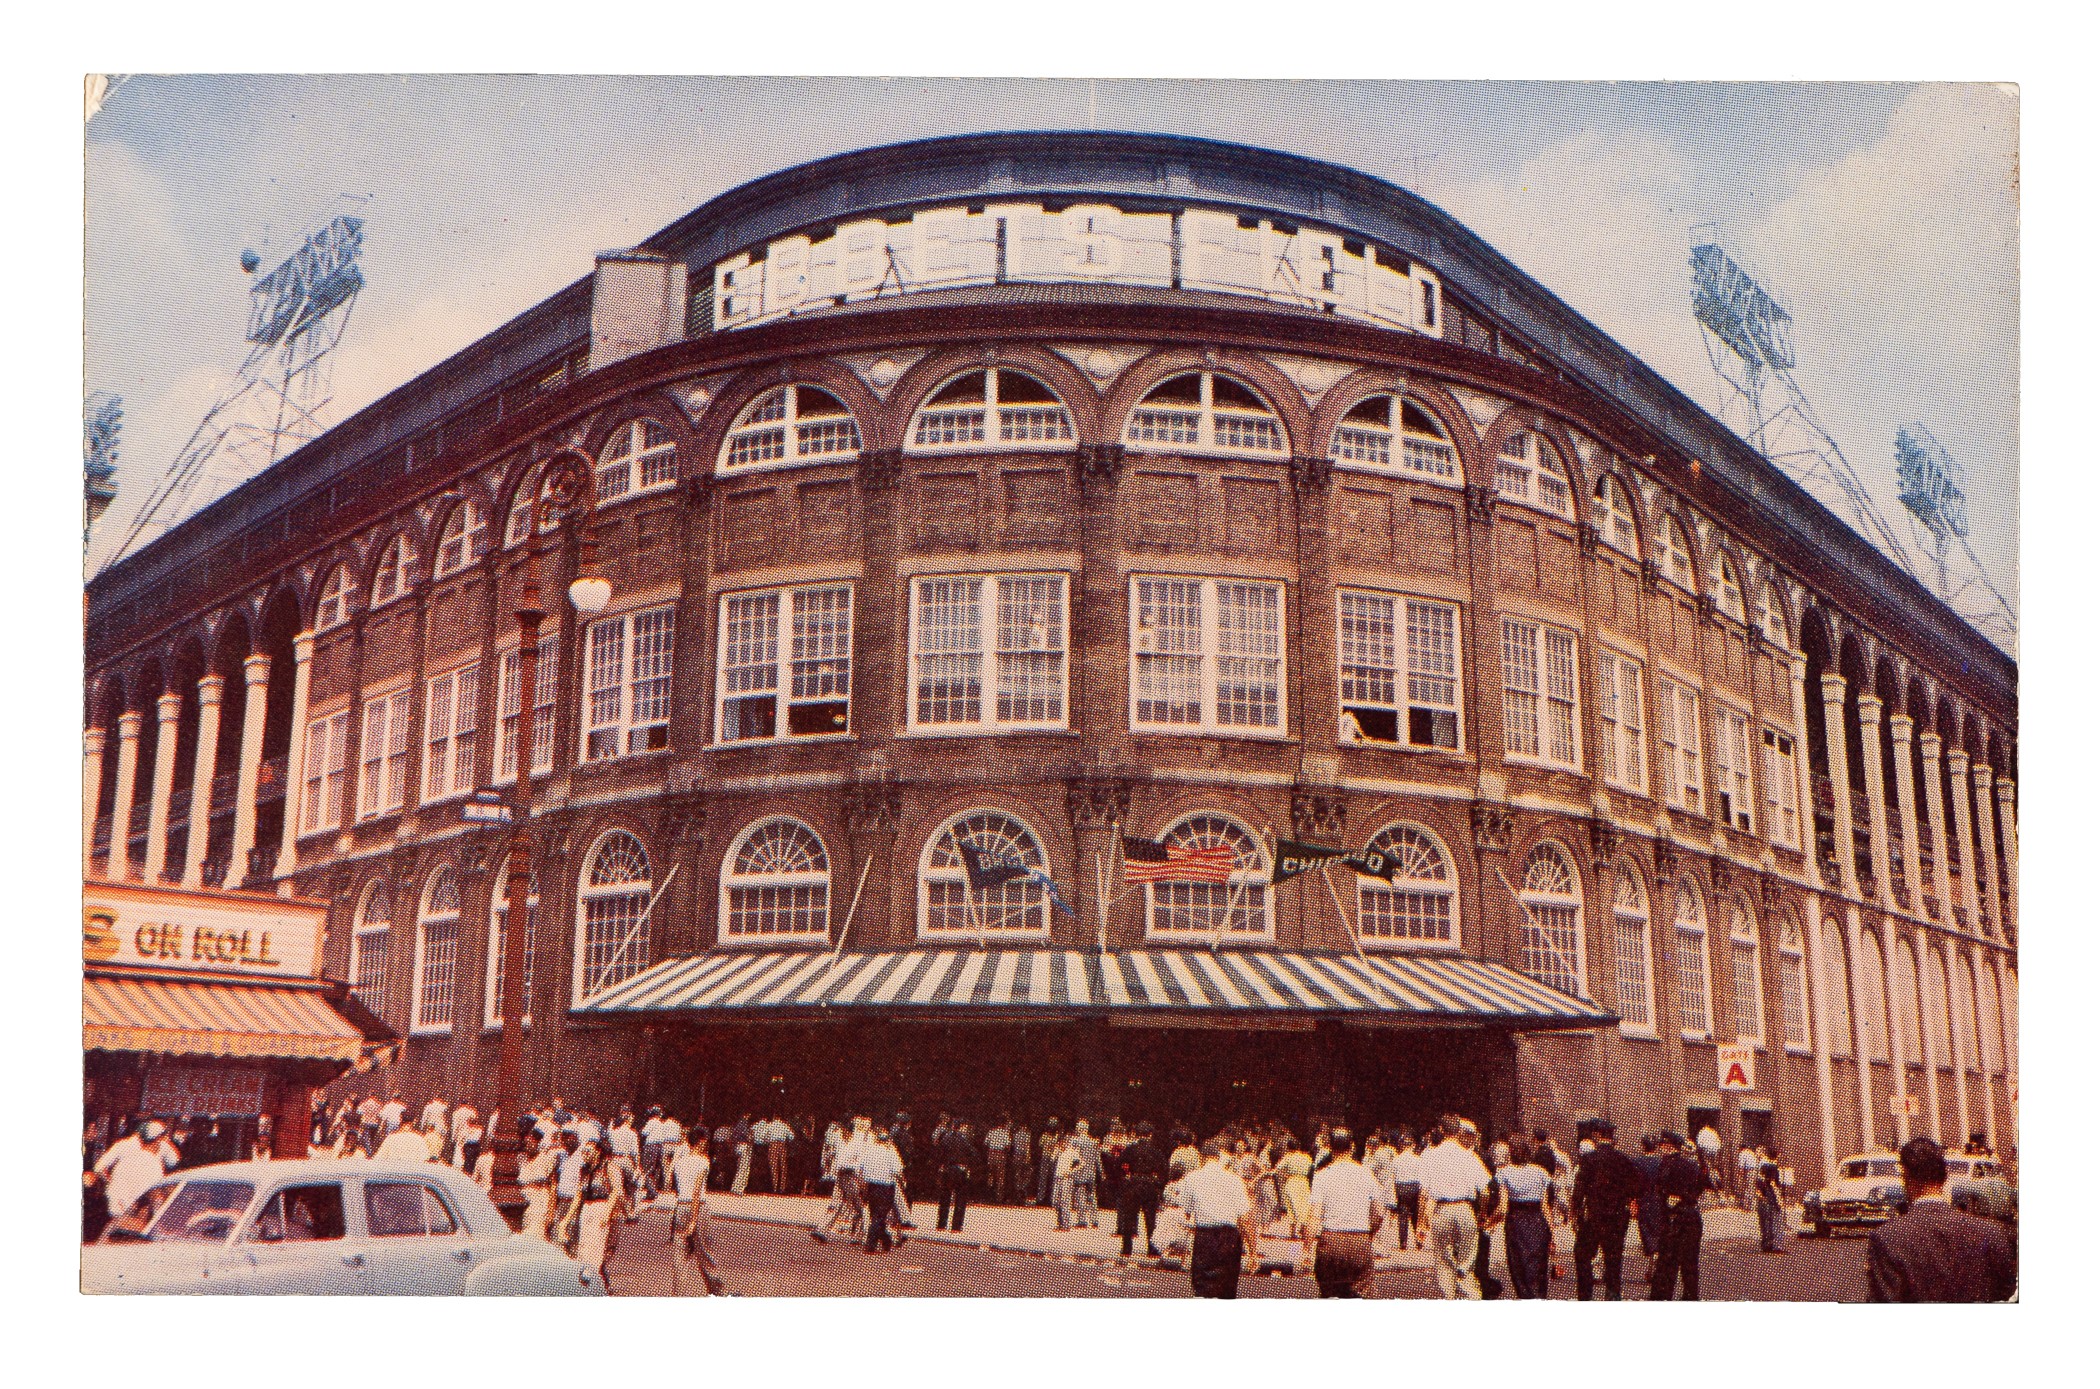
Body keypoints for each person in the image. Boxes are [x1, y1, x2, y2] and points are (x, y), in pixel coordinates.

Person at [1866, 1137, 2015, 1301]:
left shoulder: (1887, 1237)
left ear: (1907, 1177)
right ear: (1944, 1177)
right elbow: (2007, 1293)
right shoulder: (1991, 1232)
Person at [1301, 1128, 1385, 1298]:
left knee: (1330, 1293)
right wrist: (1370, 1232)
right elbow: (1379, 1212)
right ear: (1352, 1146)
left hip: (1331, 1239)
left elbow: (1314, 1216)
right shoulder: (1366, 1174)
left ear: (1330, 1148)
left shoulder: (1322, 1175)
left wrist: (1307, 1248)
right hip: (1359, 1239)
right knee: (1362, 1293)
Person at [1417, 1116, 1493, 1299]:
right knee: (1467, 1263)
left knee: (1444, 1262)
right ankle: (1472, 1297)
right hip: (1465, 1209)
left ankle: (1449, 1299)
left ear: (1441, 1131)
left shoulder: (1430, 1155)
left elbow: (1423, 1193)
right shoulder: (1469, 1156)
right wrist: (1482, 1213)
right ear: (1458, 1131)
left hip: (1441, 1210)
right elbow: (1485, 1191)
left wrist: (1421, 1222)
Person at [1571, 1118, 1644, 1300]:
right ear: (1612, 1137)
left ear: (1597, 1135)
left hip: (1593, 1217)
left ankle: (1585, 1295)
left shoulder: (1589, 1160)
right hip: (1617, 1217)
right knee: (1613, 1260)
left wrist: (1575, 1212)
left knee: (1583, 1254)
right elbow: (1637, 1187)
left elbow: (1579, 1190)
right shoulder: (1623, 1160)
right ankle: (1612, 1297)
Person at [1180, 1140, 1258, 1298]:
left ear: (1201, 1157)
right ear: (1219, 1157)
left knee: (1203, 1288)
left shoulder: (1191, 1178)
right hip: (1229, 1238)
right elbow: (1245, 1218)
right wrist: (1253, 1251)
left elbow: (1186, 1214)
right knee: (1226, 1289)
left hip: (1204, 1236)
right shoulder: (1235, 1180)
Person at [668, 1123, 726, 1296]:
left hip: (680, 1207)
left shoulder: (679, 1162)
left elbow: (677, 1187)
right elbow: (696, 1191)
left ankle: (678, 1295)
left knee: (680, 1256)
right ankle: (717, 1293)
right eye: (705, 1142)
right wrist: (693, 1219)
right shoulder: (703, 1162)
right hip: (698, 1208)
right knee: (706, 1254)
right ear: (700, 1142)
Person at [88, 1119, 178, 1228]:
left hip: (135, 1200)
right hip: (125, 1199)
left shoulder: (160, 1147)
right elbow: (174, 1161)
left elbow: (99, 1168)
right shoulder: (132, 1147)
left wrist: (110, 1182)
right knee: (124, 1228)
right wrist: (111, 1182)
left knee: (127, 1228)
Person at [1649, 1132, 1707, 1301]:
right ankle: (1690, 1298)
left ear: (1668, 1146)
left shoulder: (1666, 1165)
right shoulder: (1692, 1165)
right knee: (1690, 1265)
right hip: (1692, 1216)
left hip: (1675, 1218)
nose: (1660, 1149)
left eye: (1662, 1145)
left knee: (1667, 1265)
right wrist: (1689, 1197)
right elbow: (1702, 1185)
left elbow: (1662, 1191)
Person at [1498, 1135, 1554, 1299]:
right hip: (1538, 1219)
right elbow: (1545, 1205)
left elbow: (1502, 1207)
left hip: (1516, 1219)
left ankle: (1524, 1296)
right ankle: (1539, 1296)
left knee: (1518, 1264)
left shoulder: (1504, 1173)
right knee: (1538, 1263)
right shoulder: (1541, 1172)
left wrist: (1489, 1222)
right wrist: (1552, 1231)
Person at [1117, 1121, 1168, 1258]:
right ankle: (1151, 1249)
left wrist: (1126, 1175)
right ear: (1150, 1134)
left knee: (1129, 1217)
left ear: (1137, 1134)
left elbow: (1120, 1163)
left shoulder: (1131, 1149)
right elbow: (1164, 1169)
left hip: (1134, 1183)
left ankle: (1127, 1248)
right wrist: (1158, 1184)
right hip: (1149, 1184)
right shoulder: (1155, 1151)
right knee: (1150, 1219)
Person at [860, 1125, 905, 1254]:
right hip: (885, 1186)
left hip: (871, 1186)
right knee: (880, 1216)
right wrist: (902, 1183)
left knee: (875, 1215)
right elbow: (898, 1170)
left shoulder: (869, 1151)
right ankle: (871, 1244)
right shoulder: (890, 1151)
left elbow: (861, 1169)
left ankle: (886, 1239)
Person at [1628, 1133, 1665, 1264]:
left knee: (1646, 1228)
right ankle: (1655, 1258)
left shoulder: (1637, 1163)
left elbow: (1633, 1184)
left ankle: (1651, 1257)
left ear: (1643, 1146)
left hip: (1644, 1199)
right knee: (1658, 1228)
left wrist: (1632, 1200)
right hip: (1660, 1199)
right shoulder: (1662, 1162)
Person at [935, 1118, 975, 1232]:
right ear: (961, 1126)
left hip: (948, 1169)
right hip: (960, 1170)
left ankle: (941, 1224)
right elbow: (972, 1153)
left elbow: (939, 1153)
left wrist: (942, 1165)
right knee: (960, 1199)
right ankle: (956, 1226)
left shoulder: (945, 1138)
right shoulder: (964, 1139)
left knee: (945, 1197)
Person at [518, 1128, 558, 1239]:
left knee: (535, 1235)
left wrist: (551, 1211)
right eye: (525, 1143)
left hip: (539, 1201)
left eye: (530, 1143)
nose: (527, 1146)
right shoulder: (521, 1159)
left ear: (537, 1143)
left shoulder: (546, 1159)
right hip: (522, 1200)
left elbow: (553, 1186)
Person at [1389, 1128, 1422, 1250]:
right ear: (1412, 1145)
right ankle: (1418, 1240)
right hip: (1414, 1187)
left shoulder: (1396, 1160)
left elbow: (1393, 1176)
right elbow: (1420, 1177)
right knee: (1415, 1215)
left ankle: (1403, 1242)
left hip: (1401, 1187)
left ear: (1402, 1145)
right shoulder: (1418, 1160)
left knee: (1402, 1215)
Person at [1277, 1134, 1314, 1238]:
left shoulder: (1288, 1157)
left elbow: (1278, 1169)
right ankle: (1303, 1230)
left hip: (1292, 1181)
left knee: (1291, 1206)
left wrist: (1285, 1175)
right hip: (1304, 1181)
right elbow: (1312, 1169)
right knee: (1303, 1206)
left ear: (1288, 1147)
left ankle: (1293, 1232)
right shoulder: (1307, 1157)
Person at [1069, 1119, 1102, 1229]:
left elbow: (1072, 1158)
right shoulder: (1093, 1142)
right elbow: (1098, 1160)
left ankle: (1082, 1220)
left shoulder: (1074, 1142)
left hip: (1079, 1172)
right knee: (1092, 1196)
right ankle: (1095, 1219)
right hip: (1091, 1172)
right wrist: (1100, 1172)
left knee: (1080, 1197)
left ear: (1079, 1129)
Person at [1755, 1145, 1788, 1253]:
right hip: (1772, 1195)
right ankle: (1777, 1246)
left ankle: (1768, 1244)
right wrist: (1779, 1199)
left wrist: (1761, 1195)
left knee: (1767, 1221)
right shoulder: (1772, 1167)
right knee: (1777, 1221)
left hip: (1766, 1196)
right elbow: (1773, 1184)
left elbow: (1760, 1183)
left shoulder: (1761, 1167)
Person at [985, 1117, 1011, 1204]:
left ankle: (989, 1196)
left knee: (991, 1175)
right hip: (1000, 1154)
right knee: (1000, 1177)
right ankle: (999, 1198)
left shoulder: (991, 1132)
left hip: (991, 1154)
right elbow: (1008, 1146)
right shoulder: (1005, 1133)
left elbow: (986, 1143)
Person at [1009, 1119, 1032, 1204]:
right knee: (1024, 1175)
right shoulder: (1027, 1135)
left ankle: (1018, 1192)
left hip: (1017, 1155)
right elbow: (1027, 1147)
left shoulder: (1016, 1135)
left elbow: (1013, 1146)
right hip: (1023, 1155)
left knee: (1017, 1174)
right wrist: (1028, 1157)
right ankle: (1022, 1191)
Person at [730, 1114, 754, 1195]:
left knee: (740, 1167)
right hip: (744, 1146)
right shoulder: (745, 1124)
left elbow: (733, 1136)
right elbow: (748, 1137)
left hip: (738, 1146)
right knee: (744, 1168)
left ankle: (735, 1187)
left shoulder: (738, 1124)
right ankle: (739, 1189)